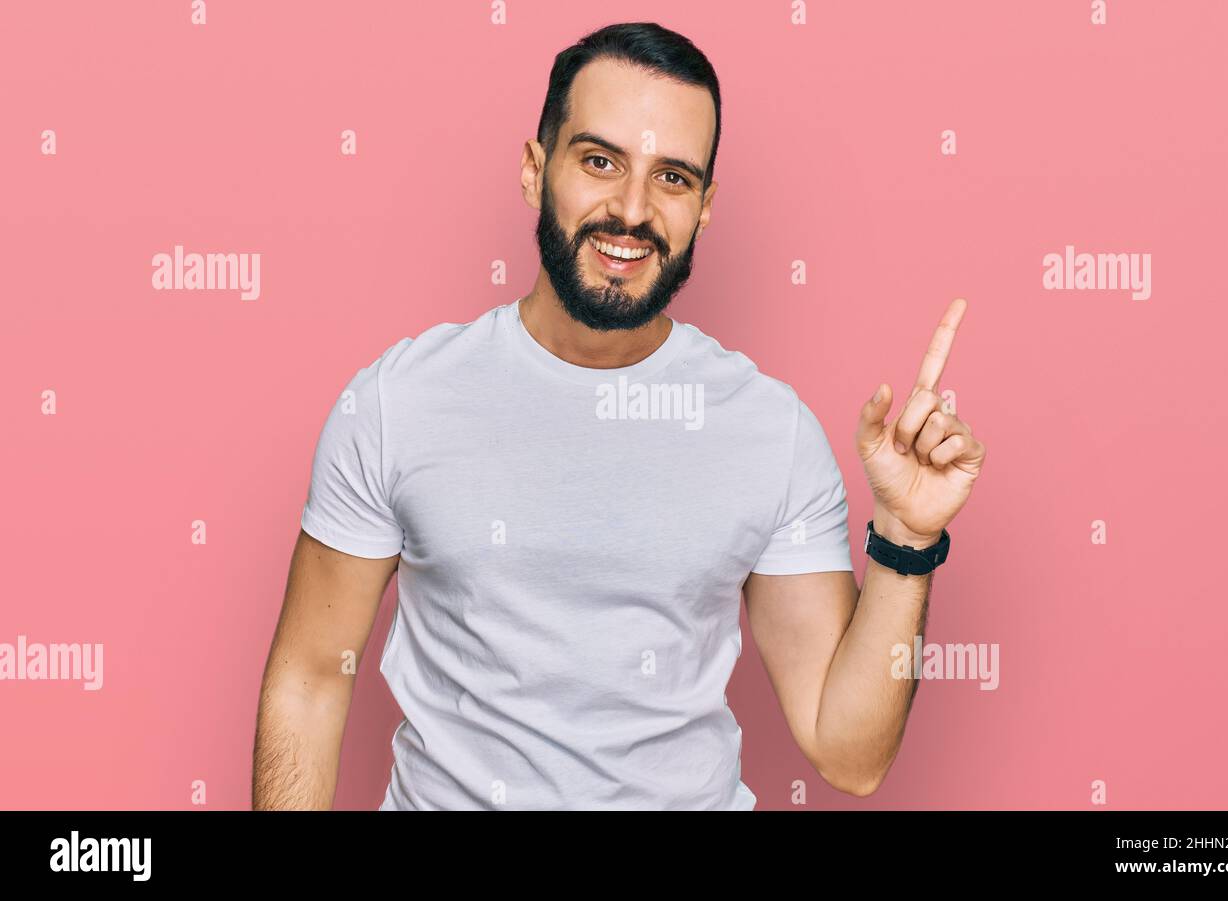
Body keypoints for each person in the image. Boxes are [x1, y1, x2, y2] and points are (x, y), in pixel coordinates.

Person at [253, 21, 986, 811]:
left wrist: (908, 538)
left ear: (704, 209)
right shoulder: (398, 405)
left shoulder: (769, 432)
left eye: (672, 177)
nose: (631, 211)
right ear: (535, 171)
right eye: (599, 162)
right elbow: (311, 681)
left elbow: (850, 755)